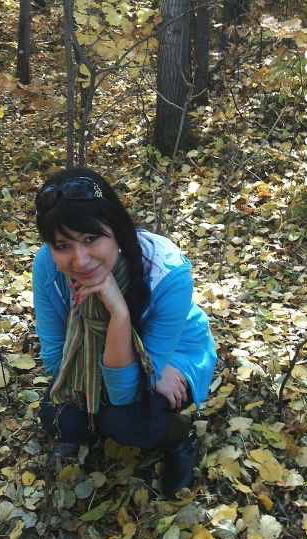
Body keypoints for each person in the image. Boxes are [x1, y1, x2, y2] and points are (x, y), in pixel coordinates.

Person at [32, 167, 217, 497]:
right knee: (60, 420)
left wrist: (119, 314)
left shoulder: (166, 271)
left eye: (91, 239)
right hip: (102, 360)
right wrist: (130, 377)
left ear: (116, 228)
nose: (80, 260)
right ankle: (98, 420)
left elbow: (124, 394)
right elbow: (55, 360)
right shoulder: (47, 266)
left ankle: (178, 437)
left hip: (175, 353)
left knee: (127, 420)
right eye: (62, 245)